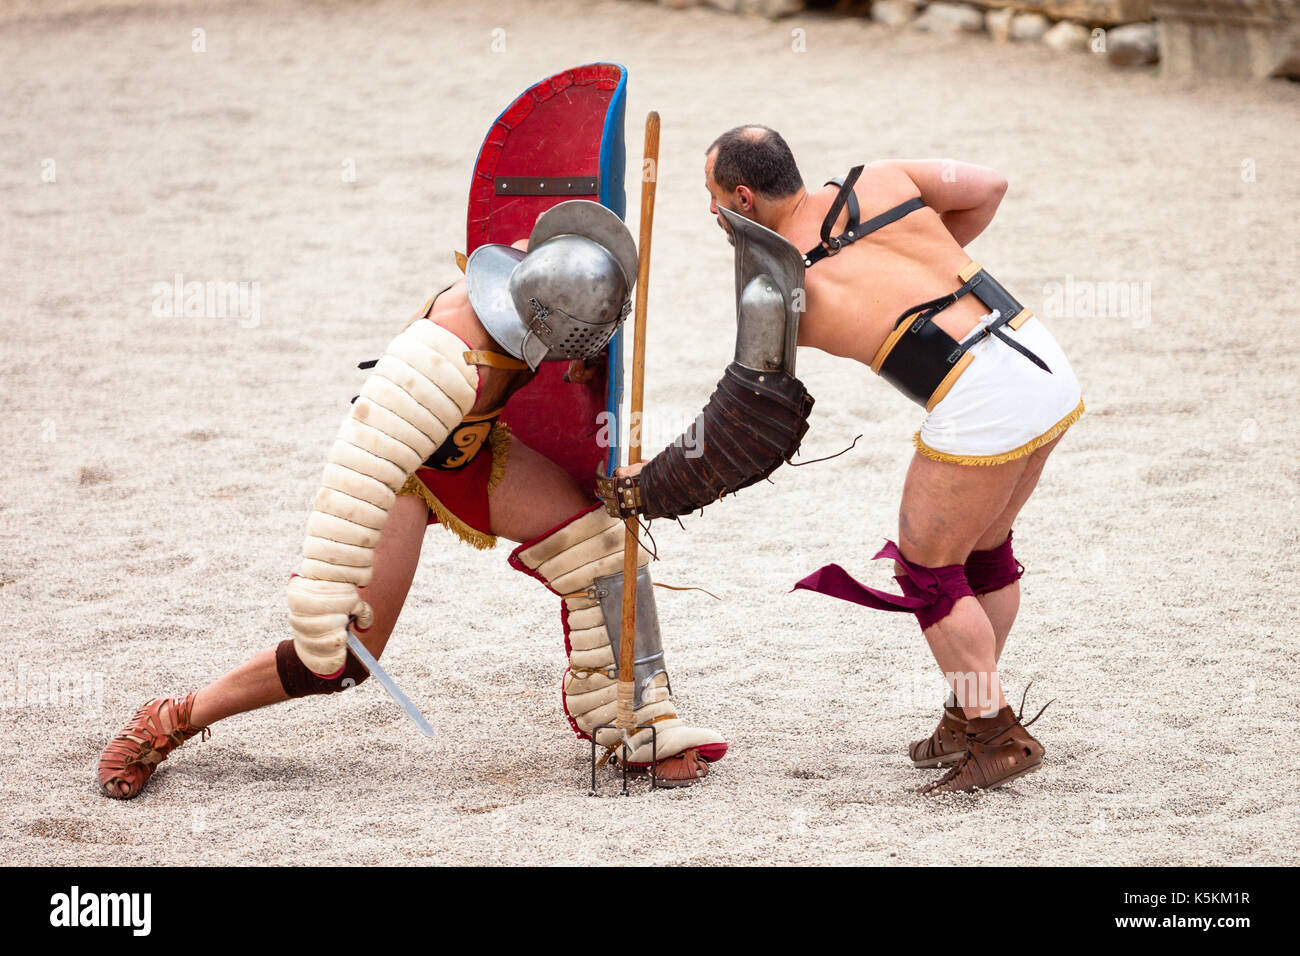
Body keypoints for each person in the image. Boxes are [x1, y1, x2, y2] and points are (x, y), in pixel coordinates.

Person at [96, 201, 727, 800]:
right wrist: (324, 590)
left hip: (472, 452)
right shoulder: (442, 354)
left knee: (598, 546)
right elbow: (362, 469)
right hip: (405, 471)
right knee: (342, 661)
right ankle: (174, 717)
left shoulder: (545, 284)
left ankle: (637, 722)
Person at [600, 127, 1081, 794]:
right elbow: (988, 185)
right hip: (1044, 359)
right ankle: (967, 714)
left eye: (715, 201)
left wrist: (651, 485)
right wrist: (931, 258)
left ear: (744, 197)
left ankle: (995, 732)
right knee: (983, 554)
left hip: (983, 399)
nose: (714, 214)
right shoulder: (881, 179)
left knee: (927, 568)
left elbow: (743, 422)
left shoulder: (778, 288)